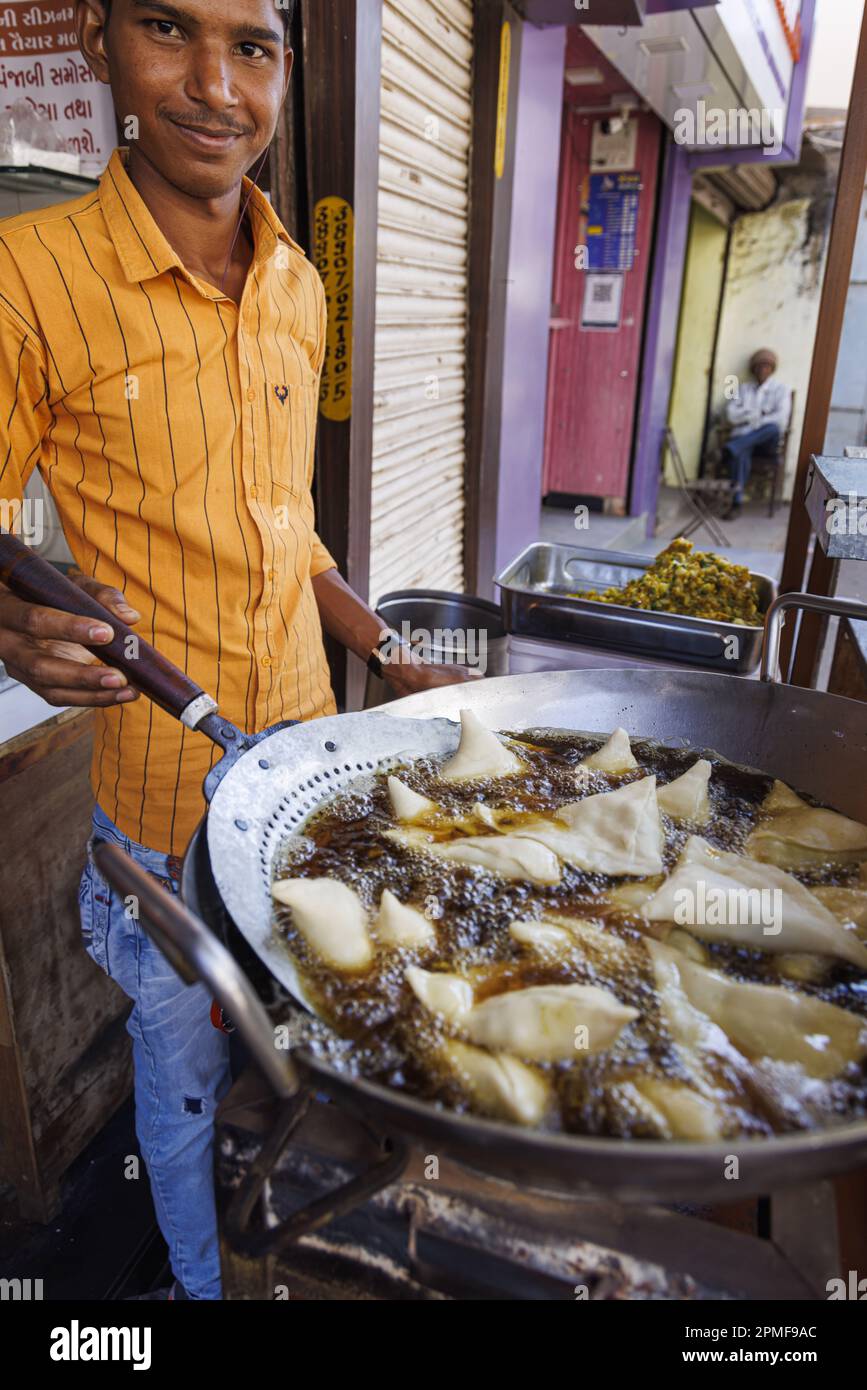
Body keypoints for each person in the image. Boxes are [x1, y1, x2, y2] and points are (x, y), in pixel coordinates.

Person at [0, 0, 475, 1301]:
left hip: (316, 785)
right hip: (164, 805)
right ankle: (202, 1291)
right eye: (168, 29)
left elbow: (294, 536)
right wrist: (16, 619)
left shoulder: (297, 281)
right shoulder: (27, 277)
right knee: (187, 1080)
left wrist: (392, 649)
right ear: (103, 41)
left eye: (251, 45)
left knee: (327, 1067)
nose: (214, 85)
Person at [721, 348, 792, 518]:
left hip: (766, 443)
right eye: (759, 367)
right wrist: (755, 415)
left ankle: (733, 447)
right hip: (746, 440)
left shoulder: (780, 390)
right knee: (741, 454)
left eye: (767, 367)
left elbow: (781, 419)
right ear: (753, 369)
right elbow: (730, 414)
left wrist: (753, 420)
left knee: (772, 428)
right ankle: (736, 504)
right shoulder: (743, 389)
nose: (762, 370)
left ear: (772, 369)